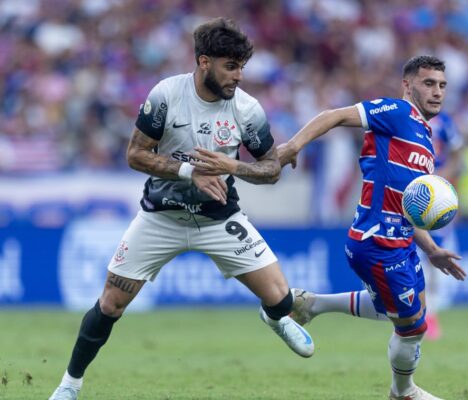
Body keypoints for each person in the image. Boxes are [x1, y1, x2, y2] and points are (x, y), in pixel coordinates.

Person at [49, 17, 314, 400]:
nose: (238, 76)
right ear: (204, 61)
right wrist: (190, 172)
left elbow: (271, 168)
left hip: (219, 218)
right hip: (161, 217)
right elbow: (135, 154)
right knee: (111, 302)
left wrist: (231, 166)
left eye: (241, 67)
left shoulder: (247, 108)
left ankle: (272, 317)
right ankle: (69, 385)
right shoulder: (166, 96)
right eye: (230, 66)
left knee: (282, 300)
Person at [279, 55, 467, 400]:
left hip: (404, 241)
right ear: (407, 86)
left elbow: (407, 207)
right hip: (376, 241)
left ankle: (313, 305)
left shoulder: (425, 137)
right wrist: (293, 146)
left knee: (409, 310)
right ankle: (403, 392)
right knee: (412, 327)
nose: (437, 92)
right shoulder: (397, 112)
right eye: (428, 83)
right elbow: (333, 115)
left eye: (442, 85)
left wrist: (433, 250)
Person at [419, 111, 464, 340]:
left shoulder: (445, 121)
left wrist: (444, 176)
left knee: (437, 254)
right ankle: (422, 315)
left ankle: (430, 314)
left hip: (437, 197)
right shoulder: (405, 117)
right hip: (413, 194)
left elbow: (457, 152)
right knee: (416, 257)